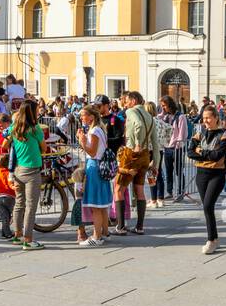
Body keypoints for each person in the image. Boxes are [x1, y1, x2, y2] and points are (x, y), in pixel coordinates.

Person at [189, 104, 226, 254]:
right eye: (204, 118)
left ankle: (210, 240)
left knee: (208, 205)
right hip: (201, 174)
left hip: (217, 174)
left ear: (216, 118)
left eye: (208, 118)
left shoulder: (224, 135)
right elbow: (190, 152)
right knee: (208, 209)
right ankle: (214, 238)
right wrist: (206, 153)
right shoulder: (199, 134)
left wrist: (200, 151)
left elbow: (218, 155)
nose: (205, 121)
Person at [8, 101, 48, 250]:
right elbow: (44, 148)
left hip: (19, 170)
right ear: (31, 112)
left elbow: (7, 144)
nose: (38, 112)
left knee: (19, 203)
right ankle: (28, 239)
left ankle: (17, 235)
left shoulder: (14, 128)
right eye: (36, 110)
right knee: (31, 206)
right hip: (32, 171)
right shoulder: (35, 128)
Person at [114, 90, 156, 234]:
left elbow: (137, 124)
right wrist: (155, 163)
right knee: (139, 190)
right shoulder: (150, 116)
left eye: (126, 101)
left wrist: (137, 142)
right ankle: (139, 227)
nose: (124, 104)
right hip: (145, 155)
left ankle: (120, 227)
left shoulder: (131, 111)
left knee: (118, 189)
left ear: (133, 101)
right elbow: (155, 144)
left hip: (132, 153)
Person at [76, 105, 113, 247]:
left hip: (94, 167)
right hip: (100, 167)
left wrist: (82, 140)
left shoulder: (94, 131)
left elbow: (91, 152)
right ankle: (104, 232)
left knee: (96, 206)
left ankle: (97, 236)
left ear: (91, 117)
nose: (81, 118)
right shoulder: (100, 129)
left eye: (83, 115)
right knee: (102, 205)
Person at [153, 95, 187, 207]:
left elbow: (182, 134)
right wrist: (162, 112)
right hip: (167, 148)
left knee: (178, 170)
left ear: (169, 104)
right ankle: (170, 191)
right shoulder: (166, 116)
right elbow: (157, 118)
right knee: (168, 171)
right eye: (161, 106)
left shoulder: (180, 117)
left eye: (164, 105)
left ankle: (181, 191)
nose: (163, 108)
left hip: (177, 148)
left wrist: (177, 144)